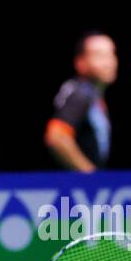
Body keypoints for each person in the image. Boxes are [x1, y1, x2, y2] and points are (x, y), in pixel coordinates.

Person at [45, 31, 118, 171]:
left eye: (111, 54)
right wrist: (89, 175)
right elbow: (56, 137)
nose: (109, 61)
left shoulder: (93, 96)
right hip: (71, 188)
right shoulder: (80, 93)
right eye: (99, 55)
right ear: (80, 62)